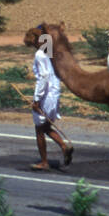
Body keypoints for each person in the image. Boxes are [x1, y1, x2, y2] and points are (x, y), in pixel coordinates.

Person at [28, 25, 74, 170]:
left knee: (39, 129)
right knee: (46, 126)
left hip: (46, 95)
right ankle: (63, 146)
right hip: (54, 93)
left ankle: (44, 162)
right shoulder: (51, 54)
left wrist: (36, 100)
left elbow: (44, 77)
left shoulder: (40, 55)